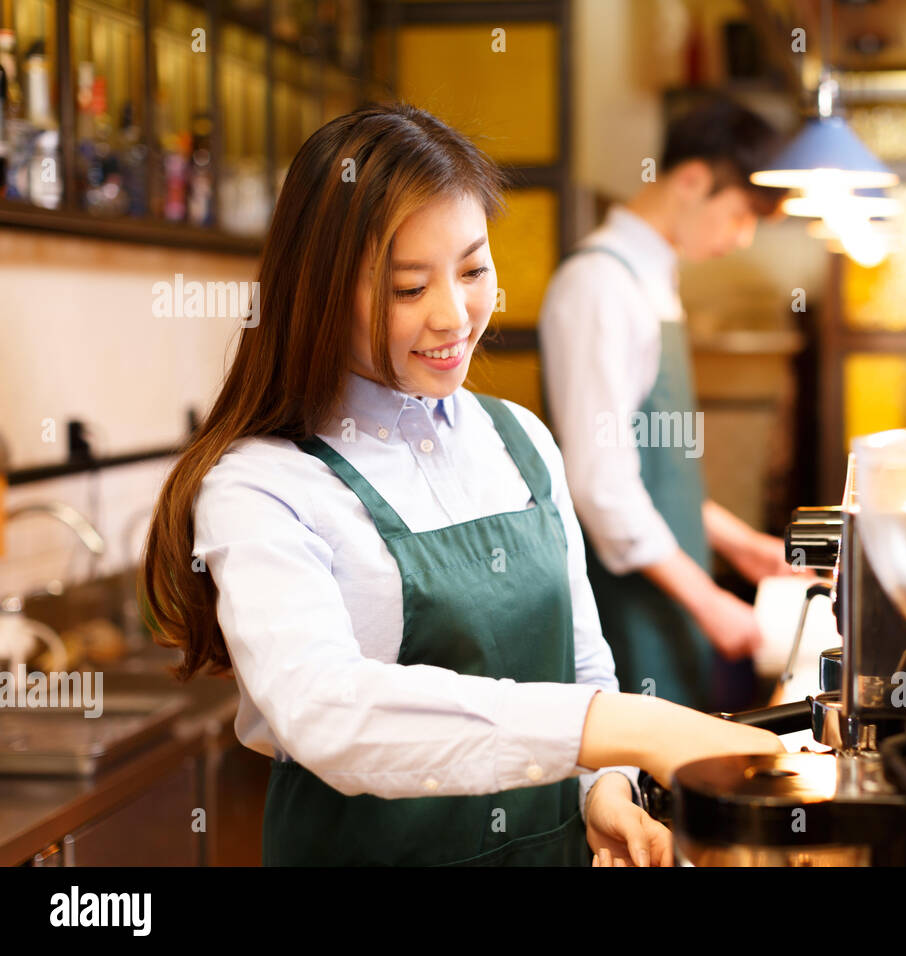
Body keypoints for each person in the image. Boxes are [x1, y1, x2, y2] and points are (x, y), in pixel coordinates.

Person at [141, 103, 782, 867]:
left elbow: (581, 663)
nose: (454, 315)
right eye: (409, 288)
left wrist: (603, 786)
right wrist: (631, 728)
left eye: (474, 270)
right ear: (316, 291)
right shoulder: (263, 486)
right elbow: (329, 713)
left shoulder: (520, 439)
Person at [538, 98, 794, 712]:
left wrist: (738, 544)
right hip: (628, 602)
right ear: (690, 180)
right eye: (740, 215)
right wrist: (708, 600)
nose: (742, 238)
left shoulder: (656, 279)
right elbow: (602, 487)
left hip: (671, 587)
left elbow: (658, 467)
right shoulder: (599, 285)